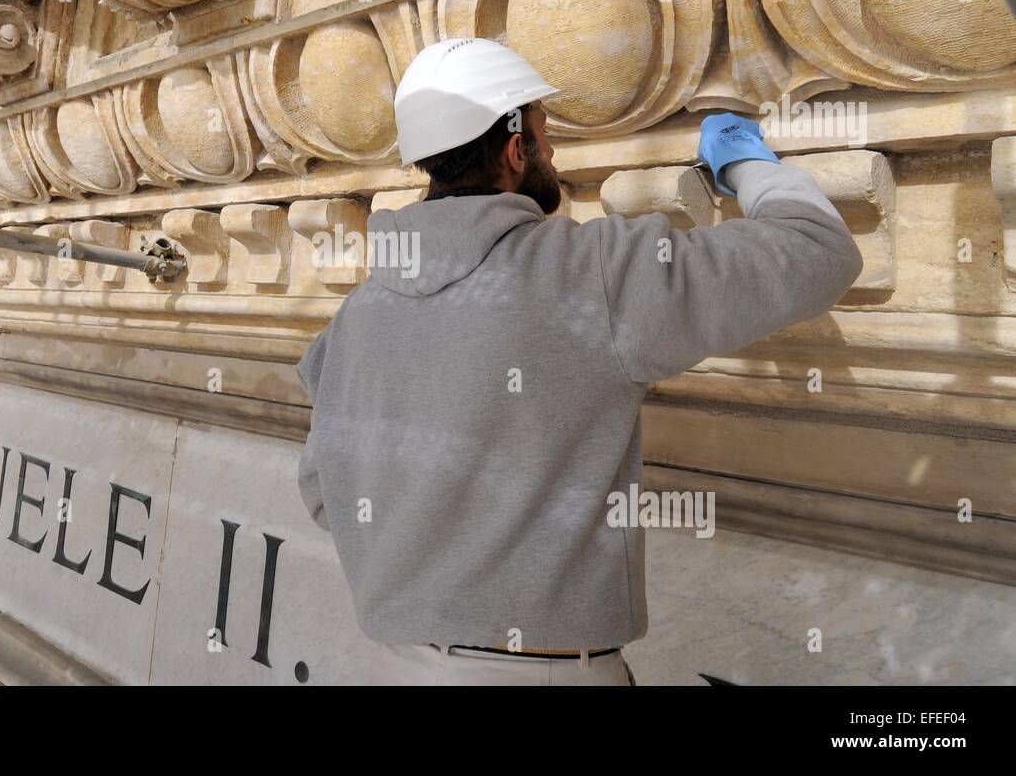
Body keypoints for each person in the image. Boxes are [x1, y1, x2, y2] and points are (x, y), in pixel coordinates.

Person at [295, 38, 863, 685]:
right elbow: (818, 251)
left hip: (389, 667)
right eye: (545, 135)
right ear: (515, 151)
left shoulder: (355, 319)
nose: (554, 154)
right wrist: (748, 167)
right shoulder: (589, 273)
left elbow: (323, 495)